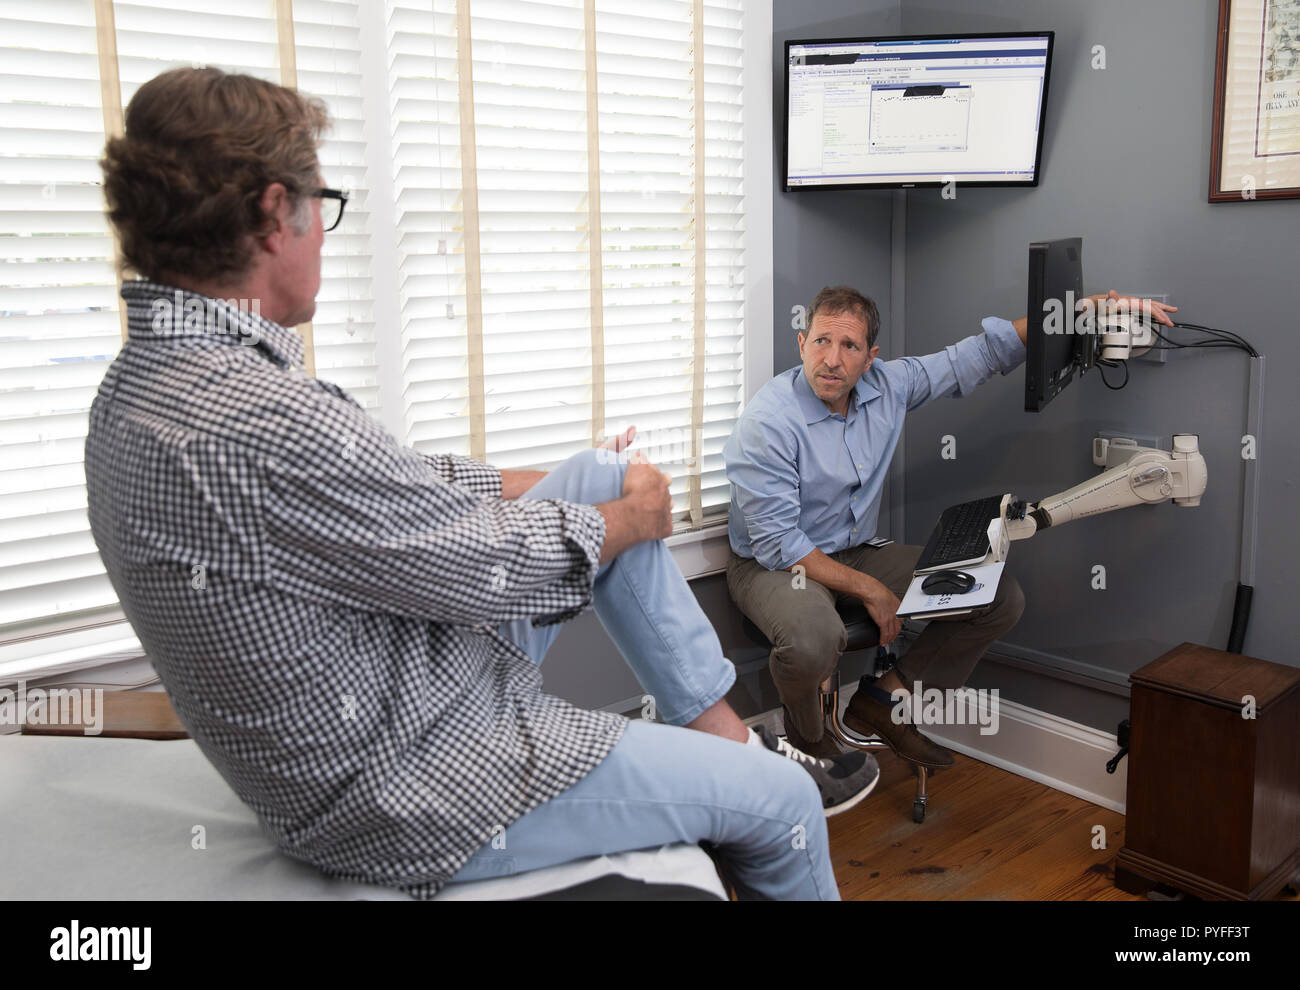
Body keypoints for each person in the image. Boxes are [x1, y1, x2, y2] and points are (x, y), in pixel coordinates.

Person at [85, 67, 879, 901]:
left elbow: (385, 484)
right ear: (269, 212)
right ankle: (756, 767)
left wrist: (560, 484)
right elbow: (482, 569)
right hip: (417, 788)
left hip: (384, 711)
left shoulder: (145, 388)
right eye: (321, 204)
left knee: (597, 471)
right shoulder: (262, 417)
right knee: (786, 804)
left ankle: (722, 736)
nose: (324, 230)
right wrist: (627, 519)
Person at [724, 285, 1175, 763]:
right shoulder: (768, 422)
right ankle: (809, 742)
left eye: (849, 346)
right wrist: (873, 590)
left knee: (997, 596)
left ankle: (884, 700)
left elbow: (980, 354)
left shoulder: (888, 386)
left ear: (870, 358)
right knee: (812, 640)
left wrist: (1081, 312)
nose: (832, 360)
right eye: (821, 342)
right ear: (801, 343)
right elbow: (779, 544)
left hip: (851, 548)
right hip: (773, 565)